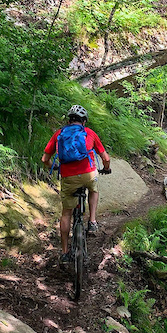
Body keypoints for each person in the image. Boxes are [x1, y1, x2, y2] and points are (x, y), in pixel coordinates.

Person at [42, 105, 111, 263]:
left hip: (68, 177)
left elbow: (44, 159)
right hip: (88, 174)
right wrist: (106, 168)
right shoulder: (90, 133)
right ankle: (92, 221)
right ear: (84, 121)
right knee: (93, 190)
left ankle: (65, 252)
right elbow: (105, 158)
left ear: (69, 120)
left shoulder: (59, 134)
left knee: (66, 213)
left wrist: (55, 167)